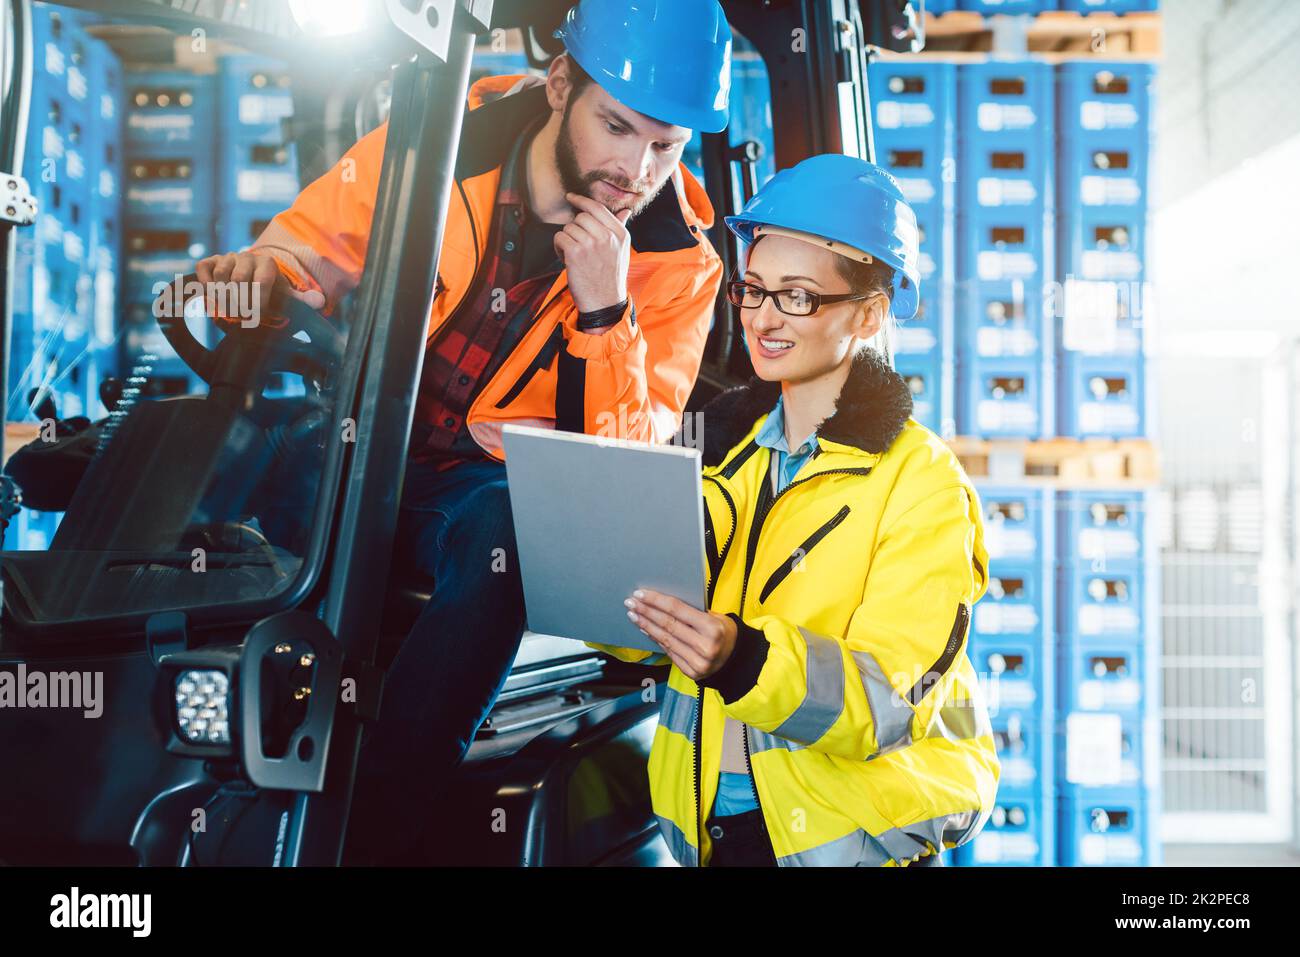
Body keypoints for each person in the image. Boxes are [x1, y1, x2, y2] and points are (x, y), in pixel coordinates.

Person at [195, 0, 732, 861]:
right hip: (354, 457)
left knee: (509, 535)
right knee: (188, 444)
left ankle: (368, 831)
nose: (636, 169)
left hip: (474, 503)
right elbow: (314, 249)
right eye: (617, 127)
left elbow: (616, 477)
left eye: (665, 147)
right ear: (560, 85)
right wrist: (273, 274)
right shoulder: (437, 142)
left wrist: (605, 313)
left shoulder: (677, 270)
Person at [595, 154, 1001, 867]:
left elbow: (889, 703)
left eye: (799, 296)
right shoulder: (724, 460)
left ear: (869, 313)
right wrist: (607, 597)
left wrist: (741, 656)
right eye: (754, 291)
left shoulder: (922, 483)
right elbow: (644, 642)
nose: (764, 318)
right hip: (712, 833)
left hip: (840, 841)